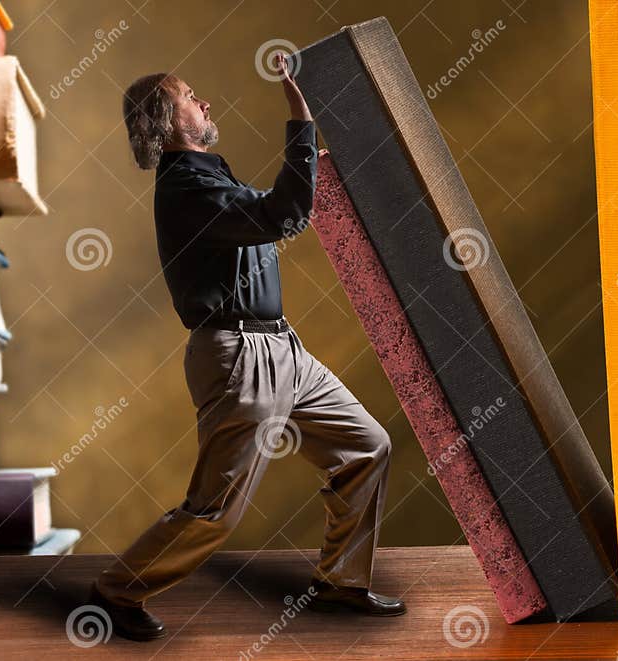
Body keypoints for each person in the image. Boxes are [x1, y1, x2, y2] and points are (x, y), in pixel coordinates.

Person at [86, 53, 405, 642]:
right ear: (167, 118)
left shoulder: (213, 178)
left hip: (285, 350)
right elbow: (285, 213)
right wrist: (300, 117)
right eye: (189, 96)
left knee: (367, 446)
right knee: (218, 508)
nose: (204, 102)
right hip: (239, 358)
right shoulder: (186, 188)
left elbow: (277, 208)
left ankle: (341, 581)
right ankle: (115, 591)